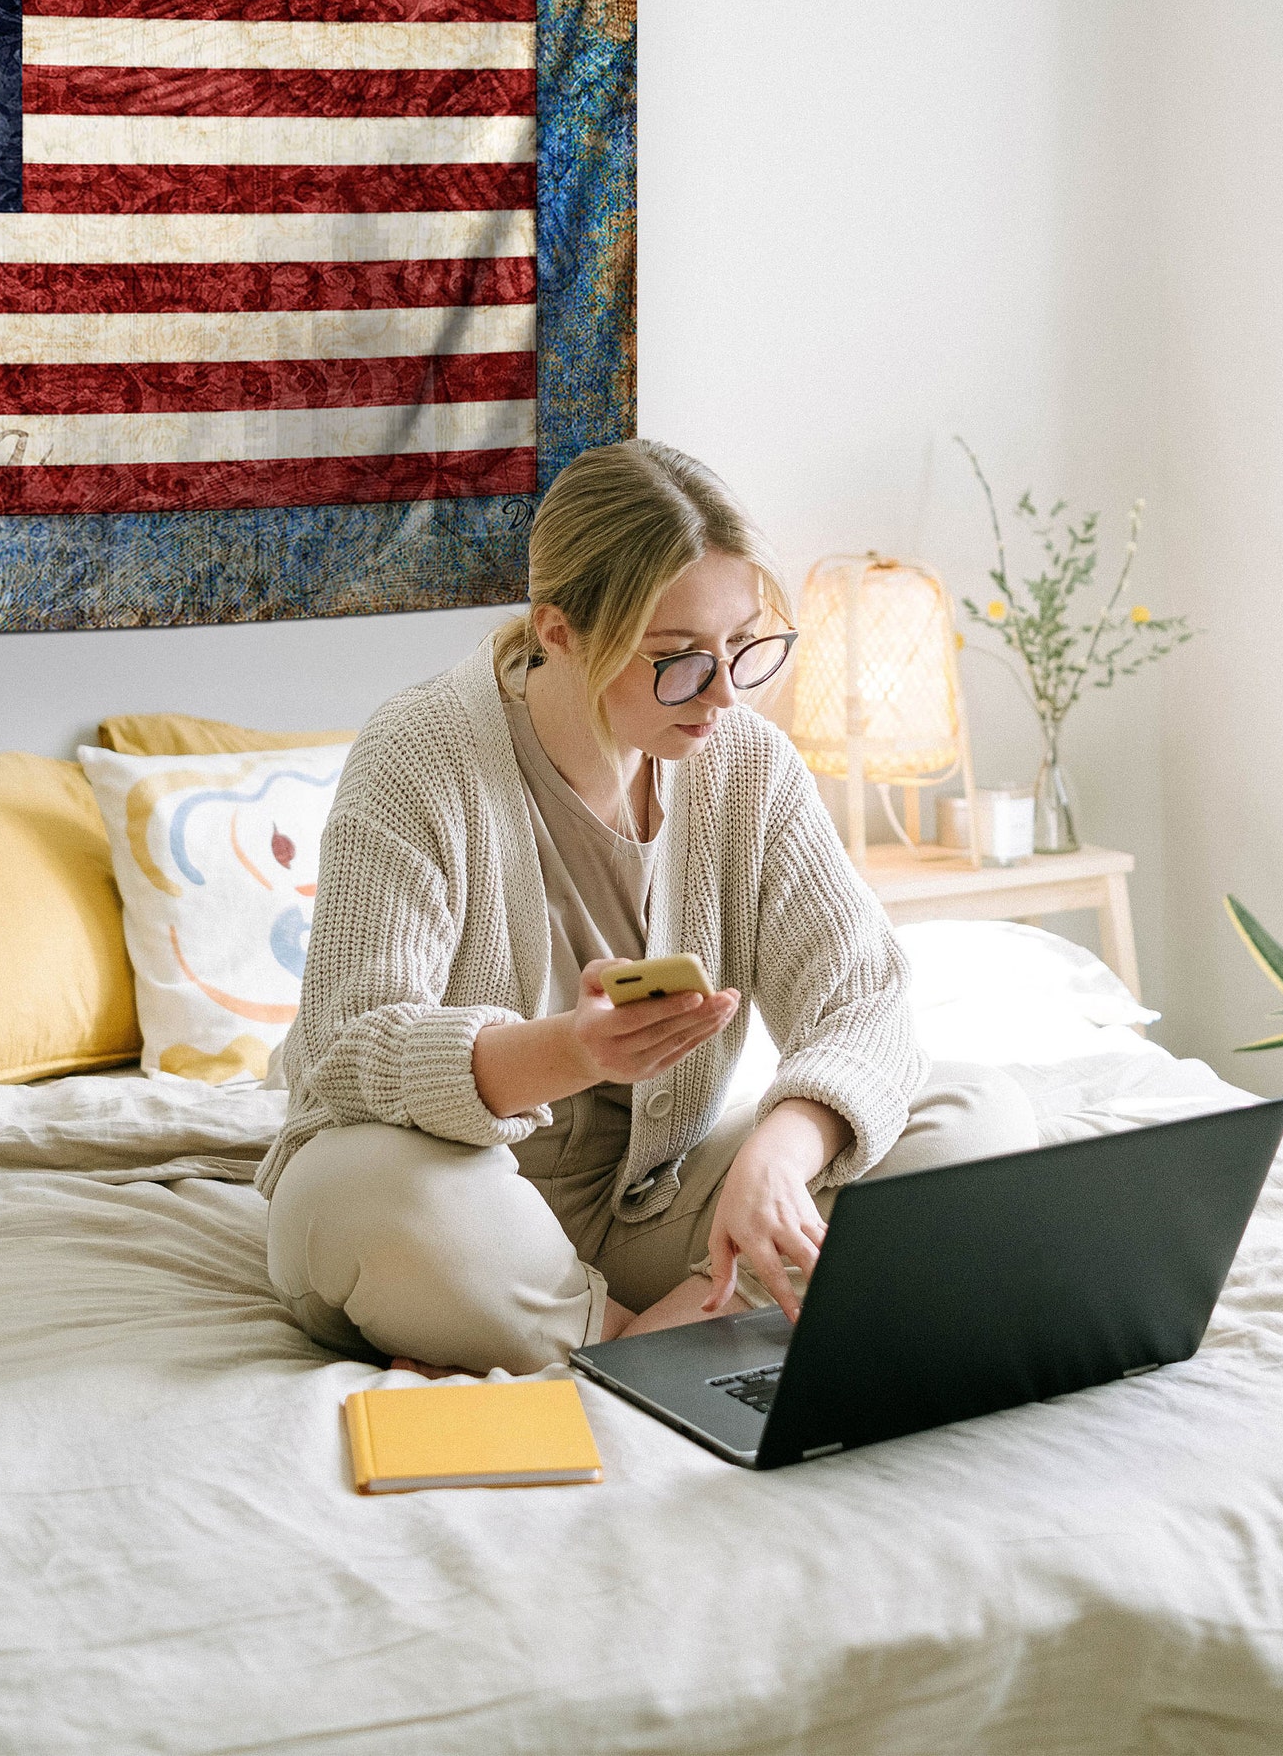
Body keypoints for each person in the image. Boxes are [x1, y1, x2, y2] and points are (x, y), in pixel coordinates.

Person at [259, 439, 1037, 1374]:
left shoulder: (747, 764)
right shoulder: (418, 755)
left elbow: (863, 1002)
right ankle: (677, 1338)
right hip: (457, 1210)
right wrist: (572, 1051)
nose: (724, 694)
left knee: (975, 1113)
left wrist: (780, 1156)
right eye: (677, 660)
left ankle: (635, 1345)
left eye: (743, 646)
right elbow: (347, 1049)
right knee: (353, 1192)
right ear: (559, 632)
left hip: (652, 1209)